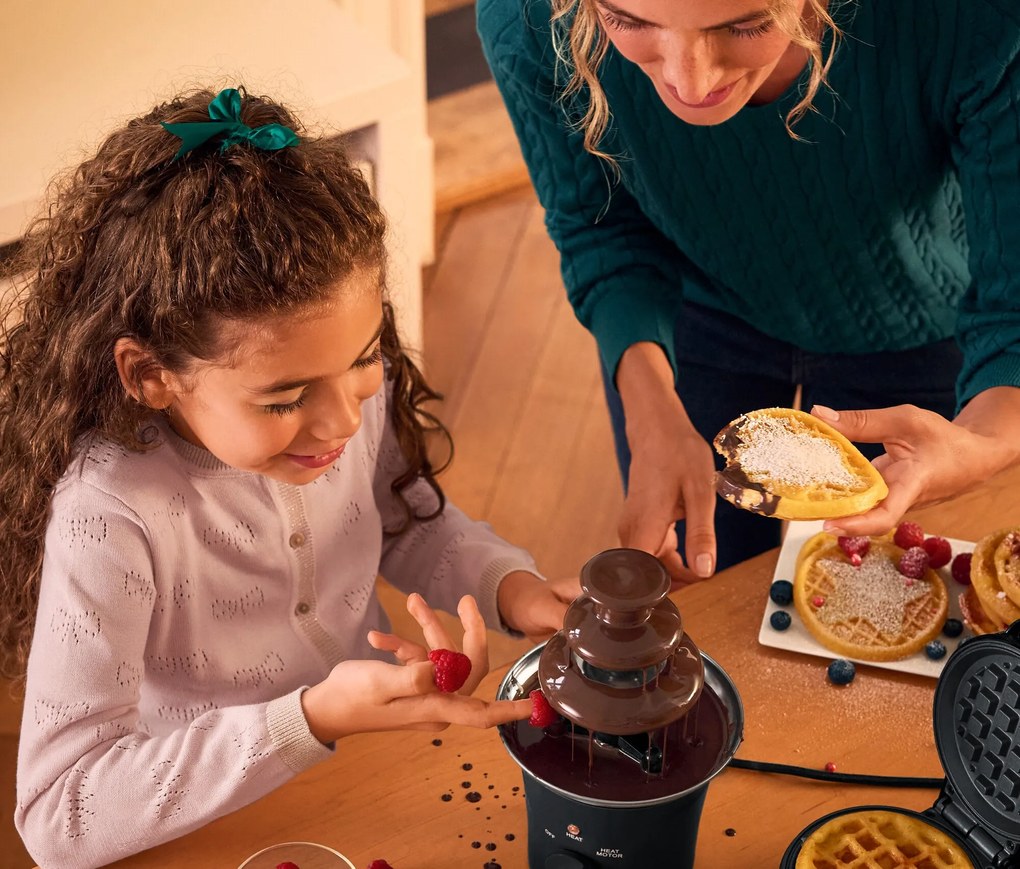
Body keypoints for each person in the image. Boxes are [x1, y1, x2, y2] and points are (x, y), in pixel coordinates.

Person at [0, 86, 574, 868]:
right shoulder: (110, 512)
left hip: (367, 756)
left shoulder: (339, 392)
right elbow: (59, 814)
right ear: (149, 374)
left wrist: (515, 588)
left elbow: (408, 521)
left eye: (366, 357)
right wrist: (306, 719)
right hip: (202, 819)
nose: (343, 420)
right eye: (284, 398)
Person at [477, 0, 1020, 580]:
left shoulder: (980, 19)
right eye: (629, 21)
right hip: (697, 319)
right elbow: (601, 229)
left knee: (895, 592)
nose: (691, 83)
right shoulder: (526, 17)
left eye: (746, 25)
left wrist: (986, 439)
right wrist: (650, 411)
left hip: (924, 331)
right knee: (710, 583)